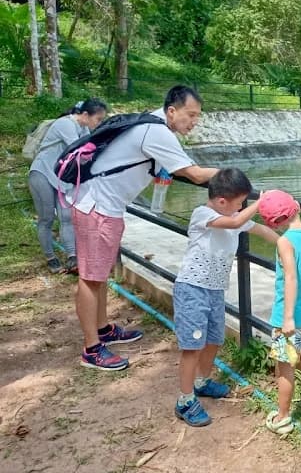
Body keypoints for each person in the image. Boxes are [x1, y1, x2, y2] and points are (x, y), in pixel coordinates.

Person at [71, 85, 219, 372]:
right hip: (97, 207)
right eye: (190, 115)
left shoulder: (151, 122)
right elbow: (194, 174)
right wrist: (233, 176)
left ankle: (102, 330)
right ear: (172, 111)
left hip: (101, 204)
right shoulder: (158, 131)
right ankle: (91, 349)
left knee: (98, 274)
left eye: (198, 117)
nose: (194, 122)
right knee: (90, 278)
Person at [173, 168, 279, 426]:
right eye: (240, 202)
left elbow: (262, 231)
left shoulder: (234, 215)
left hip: (215, 290)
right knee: (192, 347)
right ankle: (185, 400)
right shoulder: (204, 214)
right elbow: (233, 223)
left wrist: (289, 244)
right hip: (192, 289)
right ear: (222, 201)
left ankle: (202, 382)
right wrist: (258, 204)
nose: (242, 207)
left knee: (214, 339)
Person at [260, 190, 301, 436]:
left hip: (288, 319)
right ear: (297, 206)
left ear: (272, 223)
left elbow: (290, 277)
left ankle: (282, 417)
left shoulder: (284, 241)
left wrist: (287, 317)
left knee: (285, 367)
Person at [28, 98, 108, 274]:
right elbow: (79, 150)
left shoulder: (83, 128)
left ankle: (72, 257)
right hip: (42, 173)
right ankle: (50, 257)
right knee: (47, 218)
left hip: (61, 177)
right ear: (86, 115)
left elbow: (90, 150)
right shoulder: (66, 124)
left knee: (66, 216)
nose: (99, 123)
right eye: (99, 119)